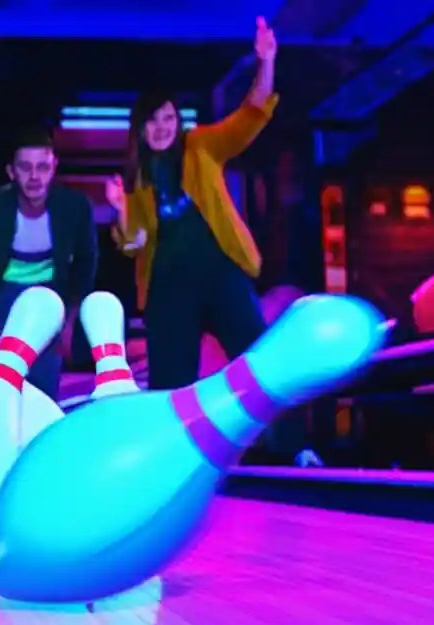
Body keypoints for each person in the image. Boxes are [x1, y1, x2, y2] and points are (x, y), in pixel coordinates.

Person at [106, 18, 320, 466]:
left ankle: (294, 448)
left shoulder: (200, 146)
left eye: (168, 118)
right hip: (168, 289)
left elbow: (250, 116)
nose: (162, 127)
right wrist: (124, 217)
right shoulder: (135, 179)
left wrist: (267, 61)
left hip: (219, 273)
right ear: (140, 129)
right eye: (153, 121)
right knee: (171, 384)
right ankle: (170, 463)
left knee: (258, 362)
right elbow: (131, 245)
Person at [0, 127, 98, 400]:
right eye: (25, 167)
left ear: (54, 167)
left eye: (42, 167)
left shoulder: (75, 206)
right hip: (2, 300)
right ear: (11, 171)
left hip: (49, 299)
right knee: (2, 391)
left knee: (44, 392)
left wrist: (70, 318)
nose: (35, 177)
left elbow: (87, 262)